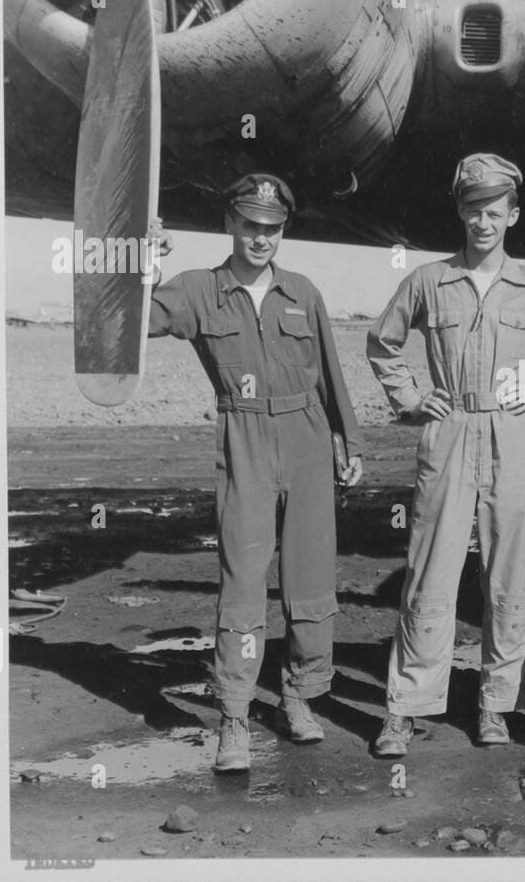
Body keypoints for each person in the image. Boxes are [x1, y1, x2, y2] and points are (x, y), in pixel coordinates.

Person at [147, 173, 364, 773]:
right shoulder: (199, 290)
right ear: (230, 224)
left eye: (271, 228)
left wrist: (349, 438)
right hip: (243, 437)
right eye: (250, 225)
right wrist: (143, 263)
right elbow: (138, 320)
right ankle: (235, 717)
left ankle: (298, 695)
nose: (260, 237)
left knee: (310, 575)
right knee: (243, 579)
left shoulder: (302, 291)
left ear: (283, 229)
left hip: (309, 437)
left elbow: (329, 372)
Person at [365, 154, 525, 755]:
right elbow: (383, 342)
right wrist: (411, 398)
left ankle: (498, 706)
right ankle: (406, 705)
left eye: (494, 210)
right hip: (450, 426)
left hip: (512, 431)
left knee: (509, 575)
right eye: (473, 209)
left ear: (513, 214)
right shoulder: (429, 281)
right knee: (430, 571)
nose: (484, 221)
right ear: (460, 212)